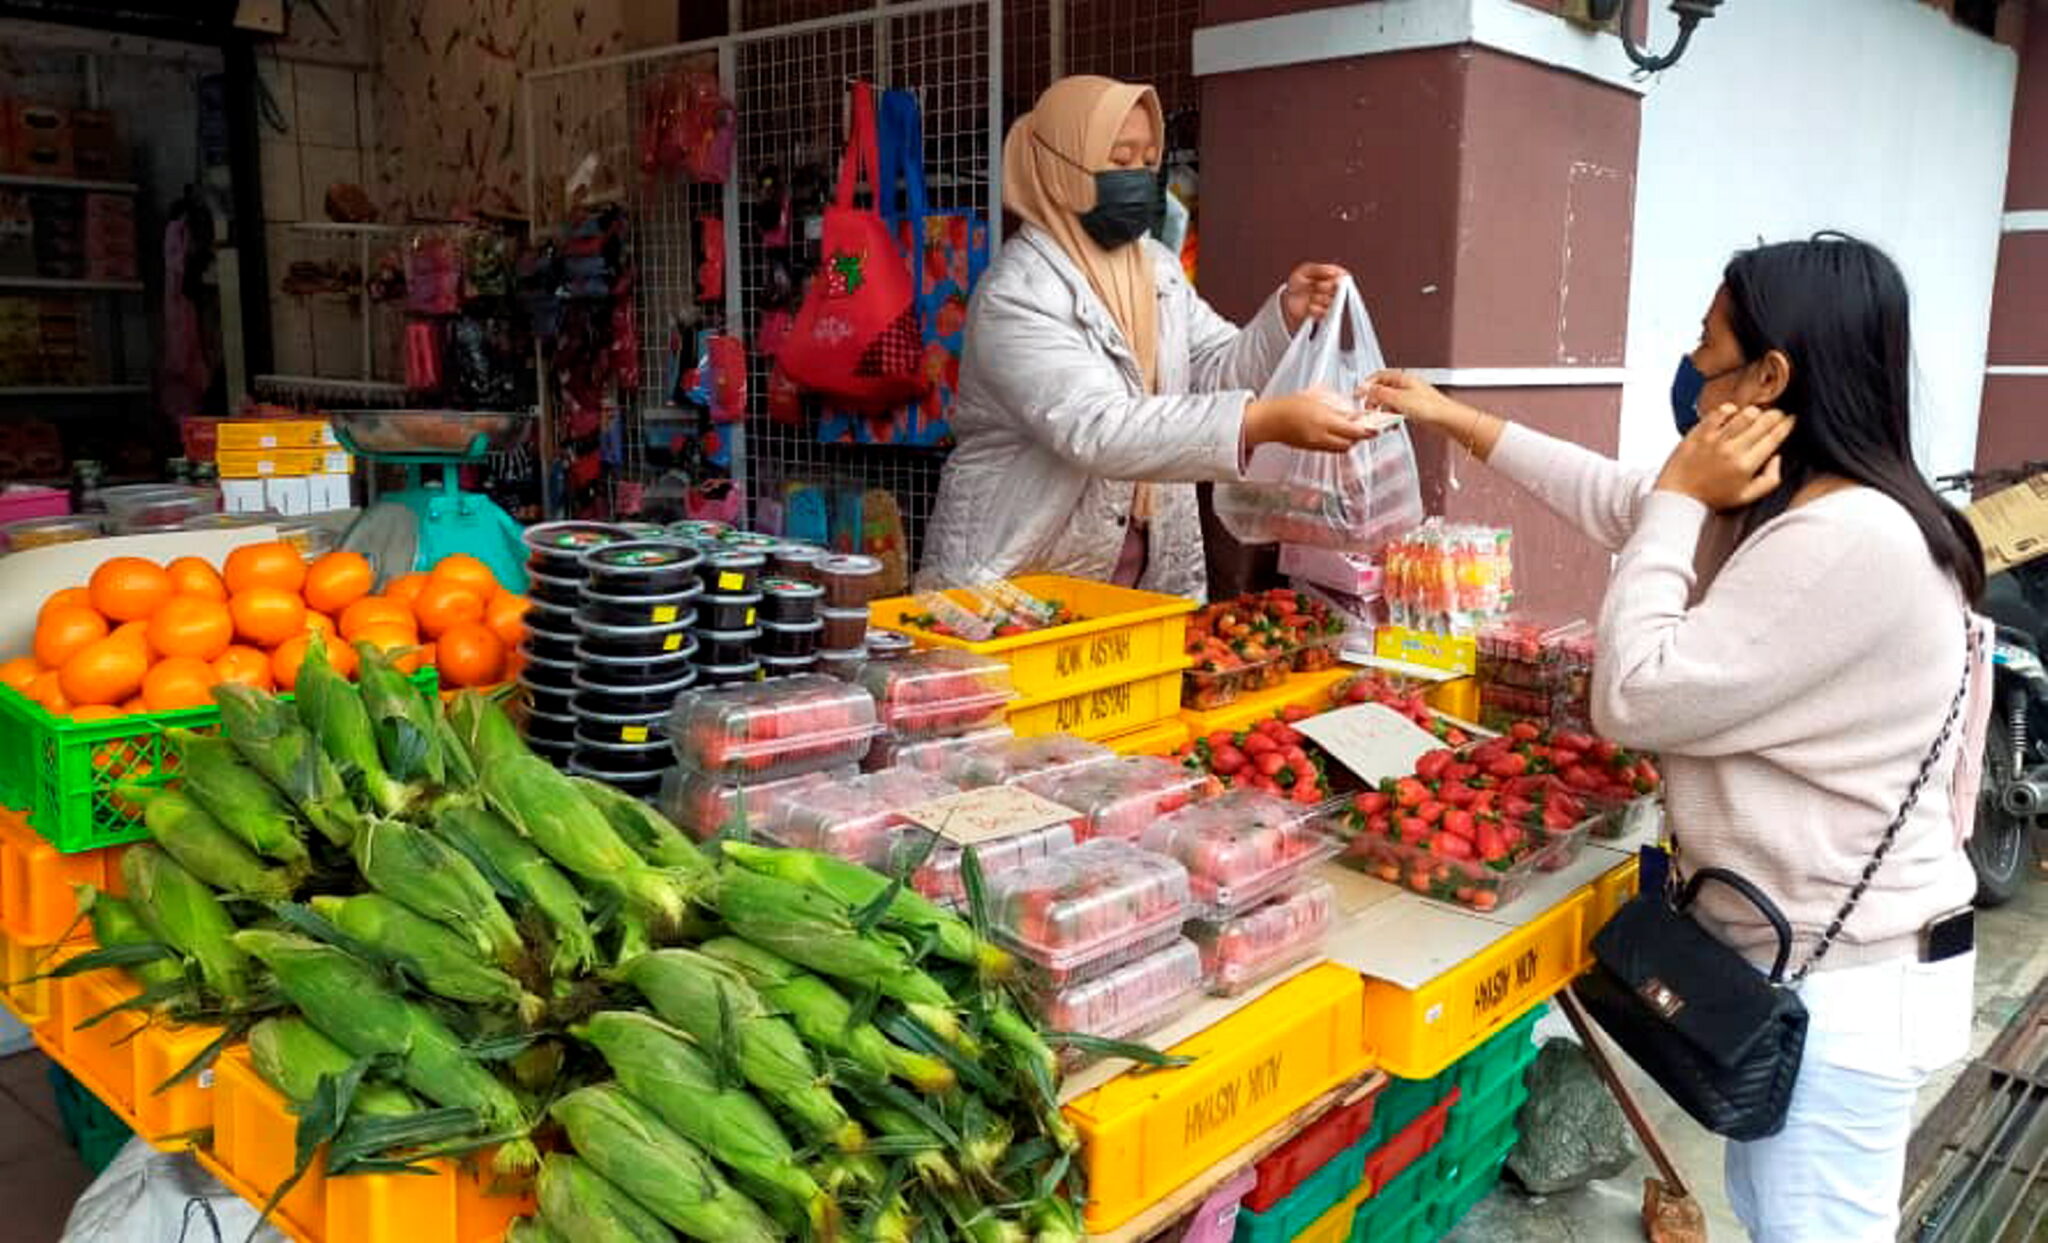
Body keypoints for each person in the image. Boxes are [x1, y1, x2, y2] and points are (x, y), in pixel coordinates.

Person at [1366, 235, 1990, 1243]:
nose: (1689, 367)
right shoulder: (1795, 513)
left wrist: (1672, 500)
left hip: (1847, 983)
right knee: (1773, 1213)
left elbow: (1633, 696)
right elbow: (1612, 500)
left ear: (1771, 374)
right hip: (1806, 964)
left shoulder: (1847, 541)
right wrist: (1451, 417)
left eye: (1705, 343)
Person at [919, 75, 1373, 598]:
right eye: (1119, 159)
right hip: (1015, 575)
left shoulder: (1154, 267)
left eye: (1147, 159)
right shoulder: (1017, 294)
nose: (1138, 176)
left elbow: (1214, 369)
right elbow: (1098, 426)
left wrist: (1283, 319)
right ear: (1061, 167)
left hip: (1139, 574)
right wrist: (1260, 422)